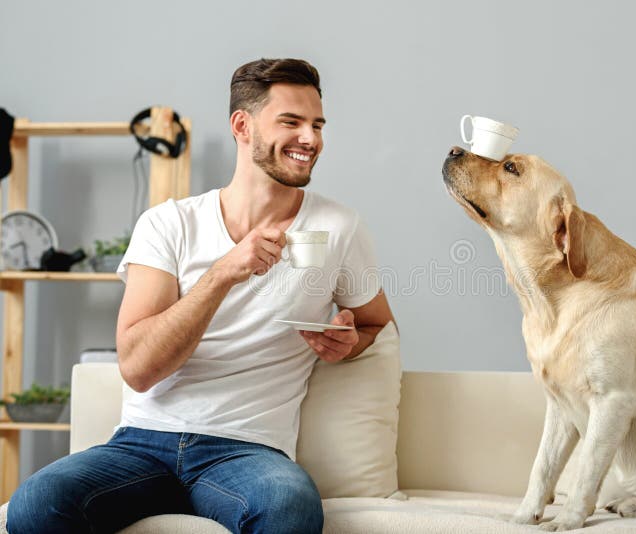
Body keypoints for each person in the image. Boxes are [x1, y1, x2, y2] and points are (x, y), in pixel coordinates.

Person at [7, 58, 394, 534]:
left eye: (317, 125)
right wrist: (223, 273)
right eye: (291, 122)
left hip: (247, 449)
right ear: (242, 126)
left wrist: (348, 342)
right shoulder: (168, 224)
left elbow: (375, 321)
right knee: (36, 504)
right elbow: (138, 368)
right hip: (141, 445)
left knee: (289, 507)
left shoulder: (338, 227)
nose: (310, 139)